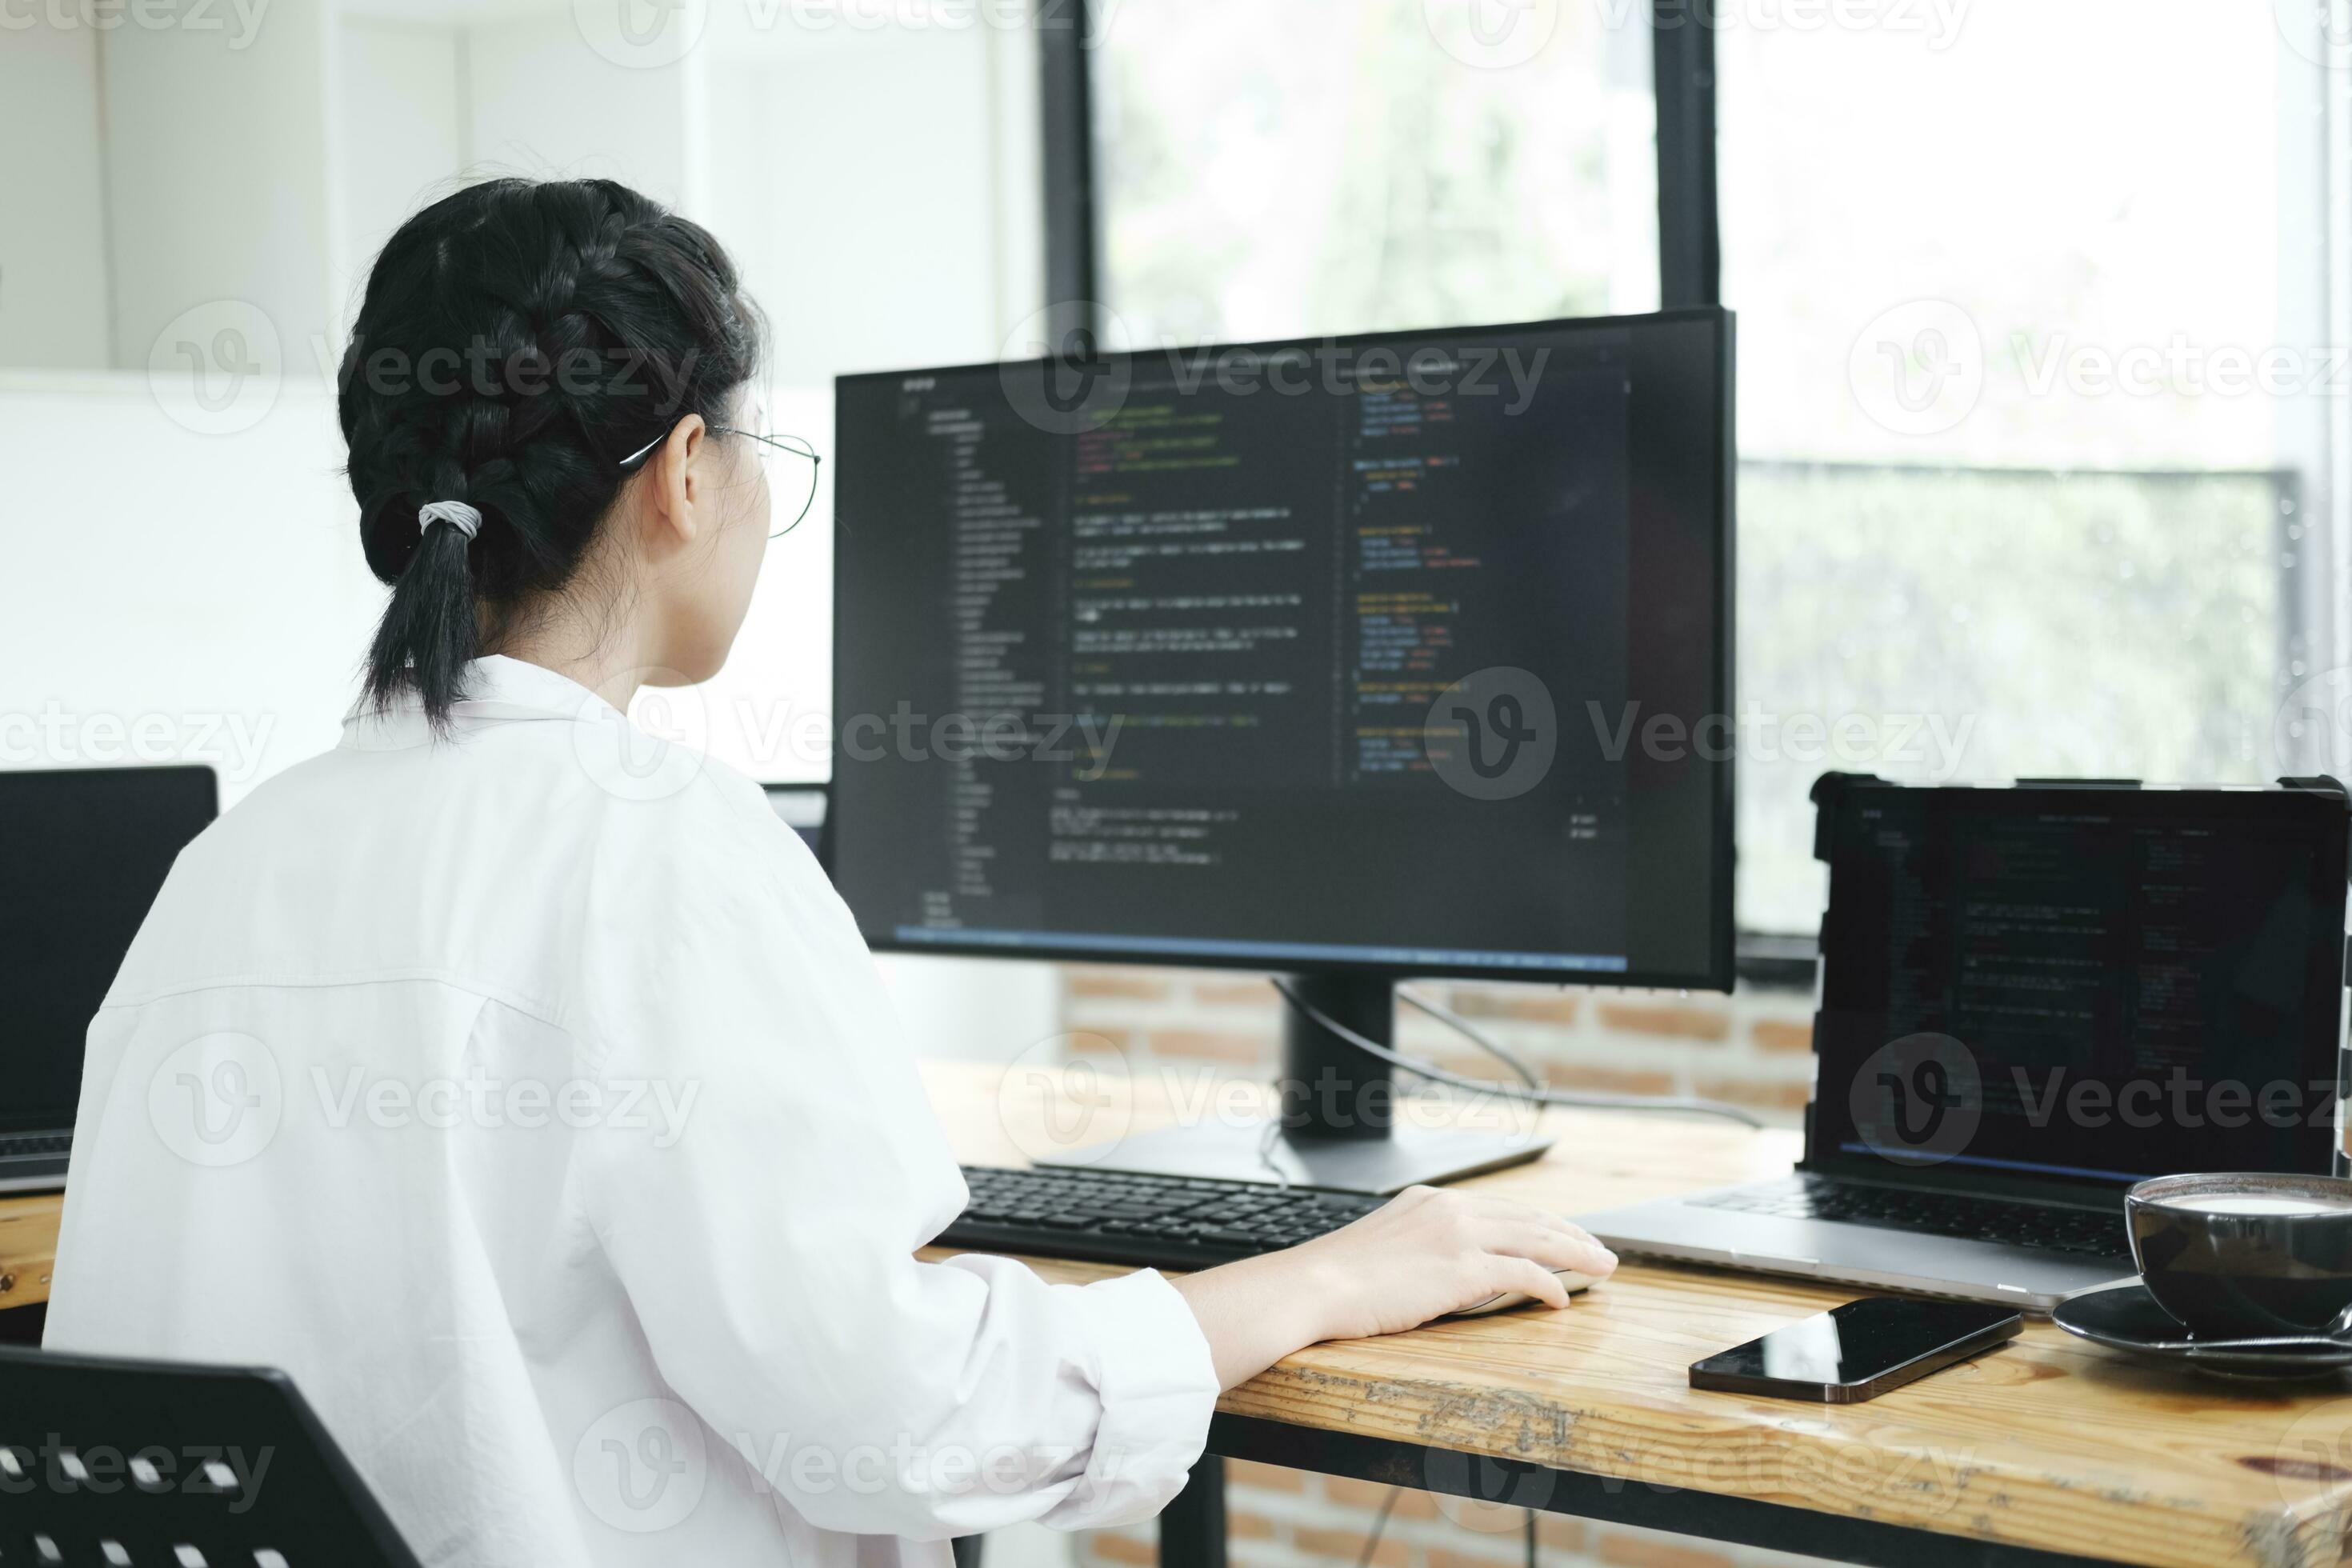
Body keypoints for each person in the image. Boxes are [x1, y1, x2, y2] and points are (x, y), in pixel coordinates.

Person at [46, 178, 1616, 1567]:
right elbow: (907, 1408)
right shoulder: (660, 841)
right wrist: (1324, 1276)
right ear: (679, 473)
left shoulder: (223, 866)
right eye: (754, 452)